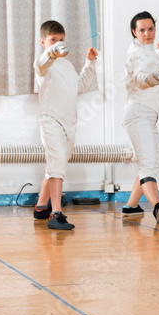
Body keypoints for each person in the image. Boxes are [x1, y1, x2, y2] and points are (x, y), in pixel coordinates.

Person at [33, 20, 98, 230]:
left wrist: (89, 63)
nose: (58, 43)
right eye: (53, 40)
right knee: (57, 164)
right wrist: (52, 52)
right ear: (43, 41)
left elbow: (81, 86)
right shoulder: (44, 65)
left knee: (56, 166)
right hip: (50, 120)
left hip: (70, 124)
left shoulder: (68, 66)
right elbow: (42, 63)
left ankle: (40, 207)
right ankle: (56, 213)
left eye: (61, 40)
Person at [120, 11, 159, 223]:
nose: (147, 34)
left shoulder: (146, 49)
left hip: (148, 116)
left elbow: (149, 60)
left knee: (155, 159)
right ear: (134, 32)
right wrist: (150, 78)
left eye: (151, 29)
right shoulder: (136, 52)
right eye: (142, 30)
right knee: (148, 162)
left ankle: (131, 207)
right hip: (138, 113)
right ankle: (157, 206)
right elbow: (140, 75)